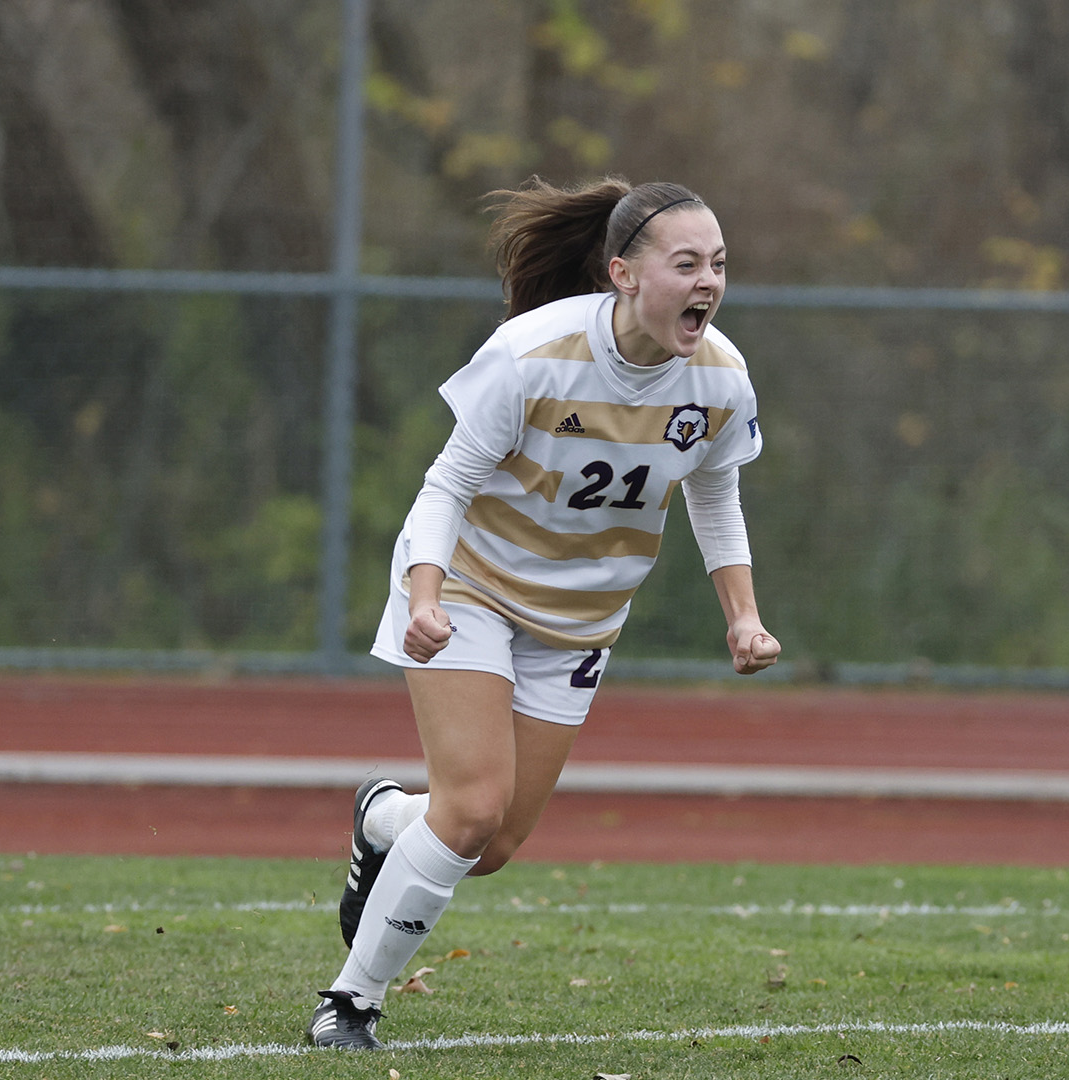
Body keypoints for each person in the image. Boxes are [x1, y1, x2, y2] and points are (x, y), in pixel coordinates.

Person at [308, 177, 780, 1048]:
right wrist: (424, 596)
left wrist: (742, 617)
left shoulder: (721, 377)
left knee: (489, 845)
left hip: (579, 623)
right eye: (686, 264)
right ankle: (350, 1003)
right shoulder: (533, 353)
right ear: (623, 274)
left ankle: (382, 818)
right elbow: (446, 485)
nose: (709, 282)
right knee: (471, 810)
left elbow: (716, 494)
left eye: (718, 264)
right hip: (470, 587)